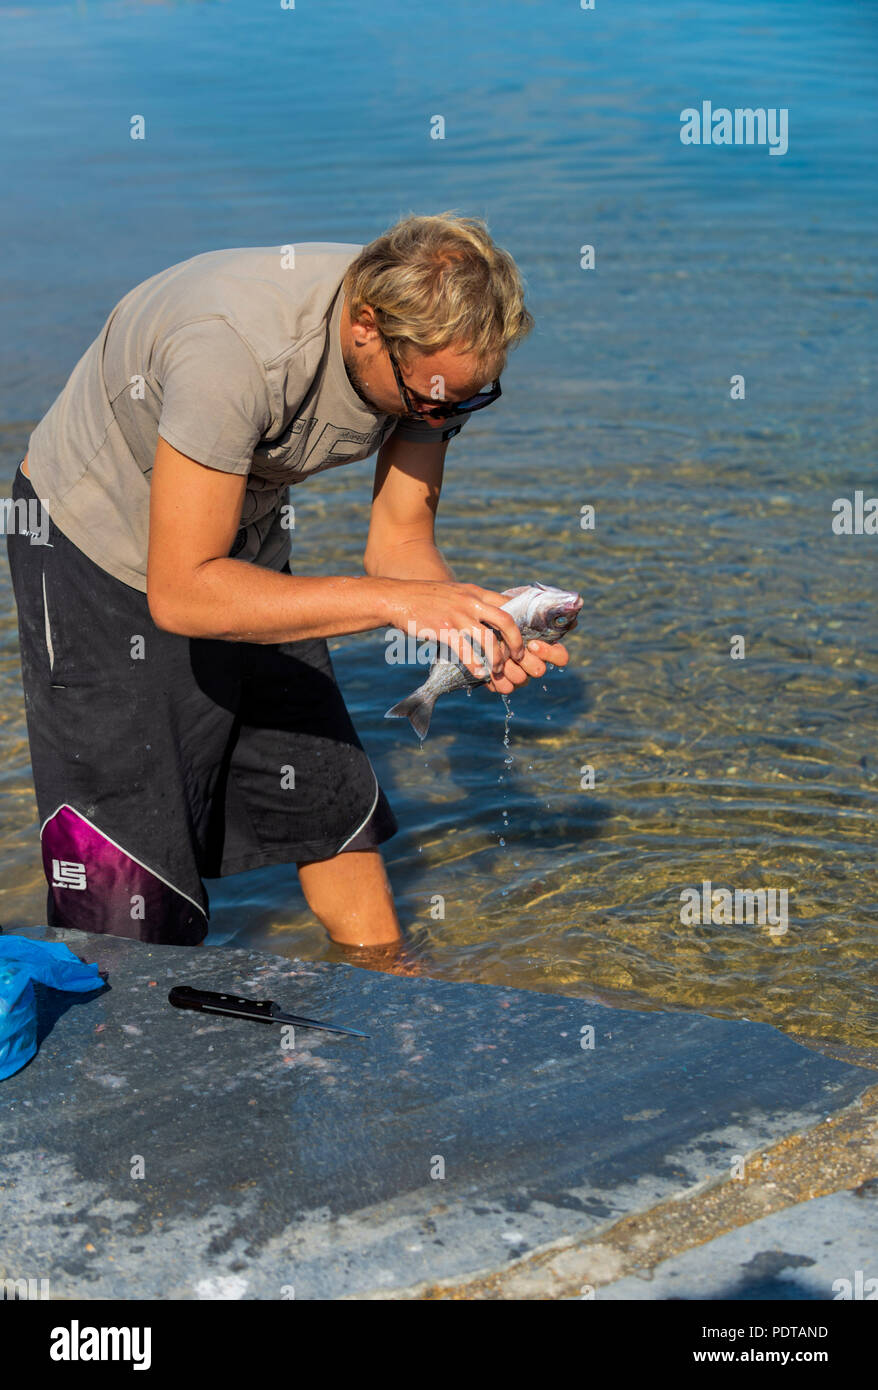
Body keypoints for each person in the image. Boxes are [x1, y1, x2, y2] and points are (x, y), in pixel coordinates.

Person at [7, 212, 572, 951]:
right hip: (96, 547)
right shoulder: (232, 352)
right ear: (364, 325)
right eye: (431, 401)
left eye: (468, 400)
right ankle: (119, 1039)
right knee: (130, 882)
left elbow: (400, 541)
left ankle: (394, 988)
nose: (441, 417)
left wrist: (464, 623)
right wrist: (393, 603)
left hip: (235, 536)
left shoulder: (432, 358)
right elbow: (182, 593)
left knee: (325, 792)